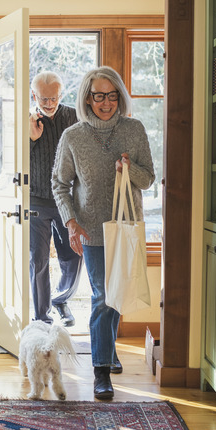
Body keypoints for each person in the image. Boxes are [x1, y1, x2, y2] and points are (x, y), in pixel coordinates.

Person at [51, 66, 155, 399]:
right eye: (99, 95)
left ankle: (108, 353)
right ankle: (101, 371)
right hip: (92, 230)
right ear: (87, 98)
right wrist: (70, 221)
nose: (106, 102)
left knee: (118, 294)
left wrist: (130, 168)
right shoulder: (73, 136)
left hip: (125, 226)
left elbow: (148, 179)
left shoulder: (134, 130)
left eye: (112, 95)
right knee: (101, 296)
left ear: (119, 97)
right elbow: (60, 183)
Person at [28, 71, 82, 327]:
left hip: (68, 200)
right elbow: (13, 162)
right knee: (37, 259)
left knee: (73, 255)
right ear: (34, 95)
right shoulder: (26, 119)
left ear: (61, 95)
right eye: (43, 99)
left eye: (53, 98)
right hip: (36, 199)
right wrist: (31, 138)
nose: (48, 104)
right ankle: (41, 316)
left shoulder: (73, 116)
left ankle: (61, 299)